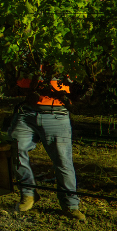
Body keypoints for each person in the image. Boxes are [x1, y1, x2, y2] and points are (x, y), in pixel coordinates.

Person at [9, 72, 84, 221]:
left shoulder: (64, 58)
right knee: (14, 150)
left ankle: (71, 205)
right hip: (27, 112)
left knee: (63, 161)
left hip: (56, 114)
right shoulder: (29, 55)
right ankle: (28, 193)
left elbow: (74, 85)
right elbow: (19, 82)